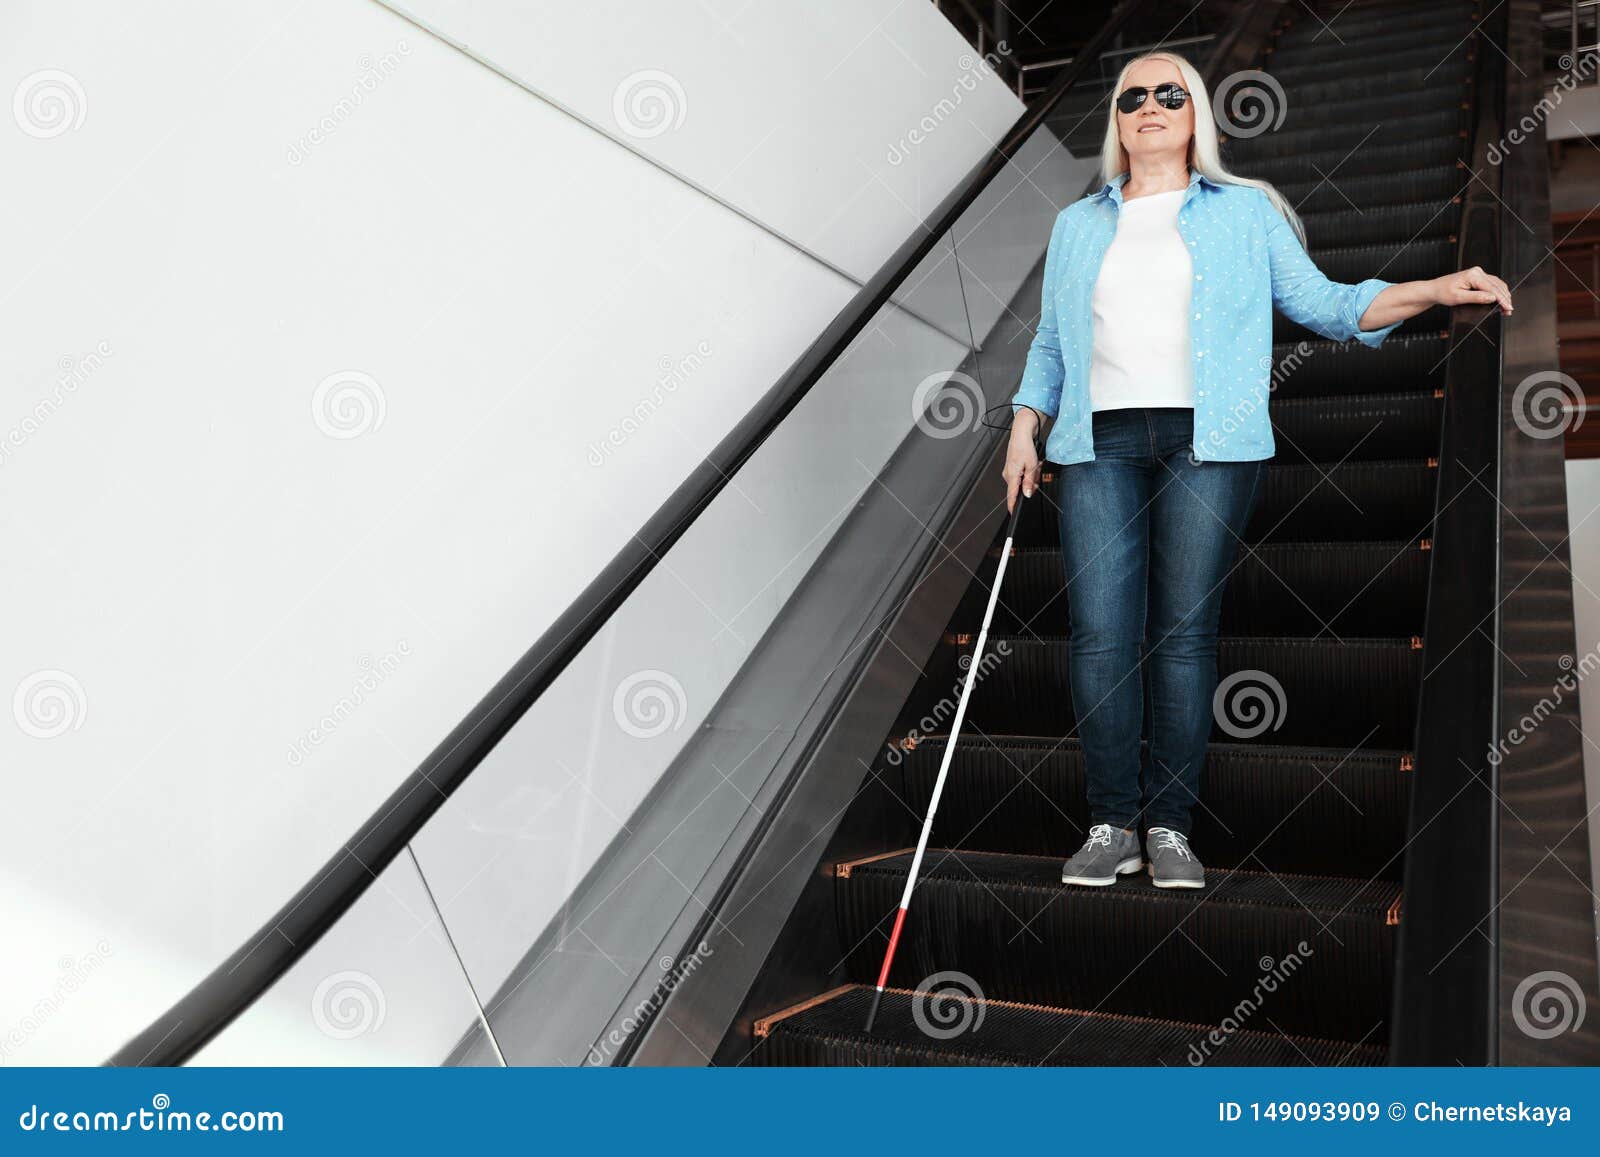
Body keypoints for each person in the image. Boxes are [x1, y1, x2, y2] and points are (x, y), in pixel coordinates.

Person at [1003, 50, 1512, 890]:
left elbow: (1329, 305)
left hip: (1210, 443)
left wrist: (1432, 286)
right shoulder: (1077, 225)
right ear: (1117, 120)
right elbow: (1053, 343)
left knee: (1181, 635)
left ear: (1196, 113)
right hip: (1096, 445)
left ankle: (1168, 824)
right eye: (1134, 96)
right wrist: (1026, 425)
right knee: (1099, 637)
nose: (1151, 107)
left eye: (1171, 93)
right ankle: (1109, 820)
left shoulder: (1245, 212)